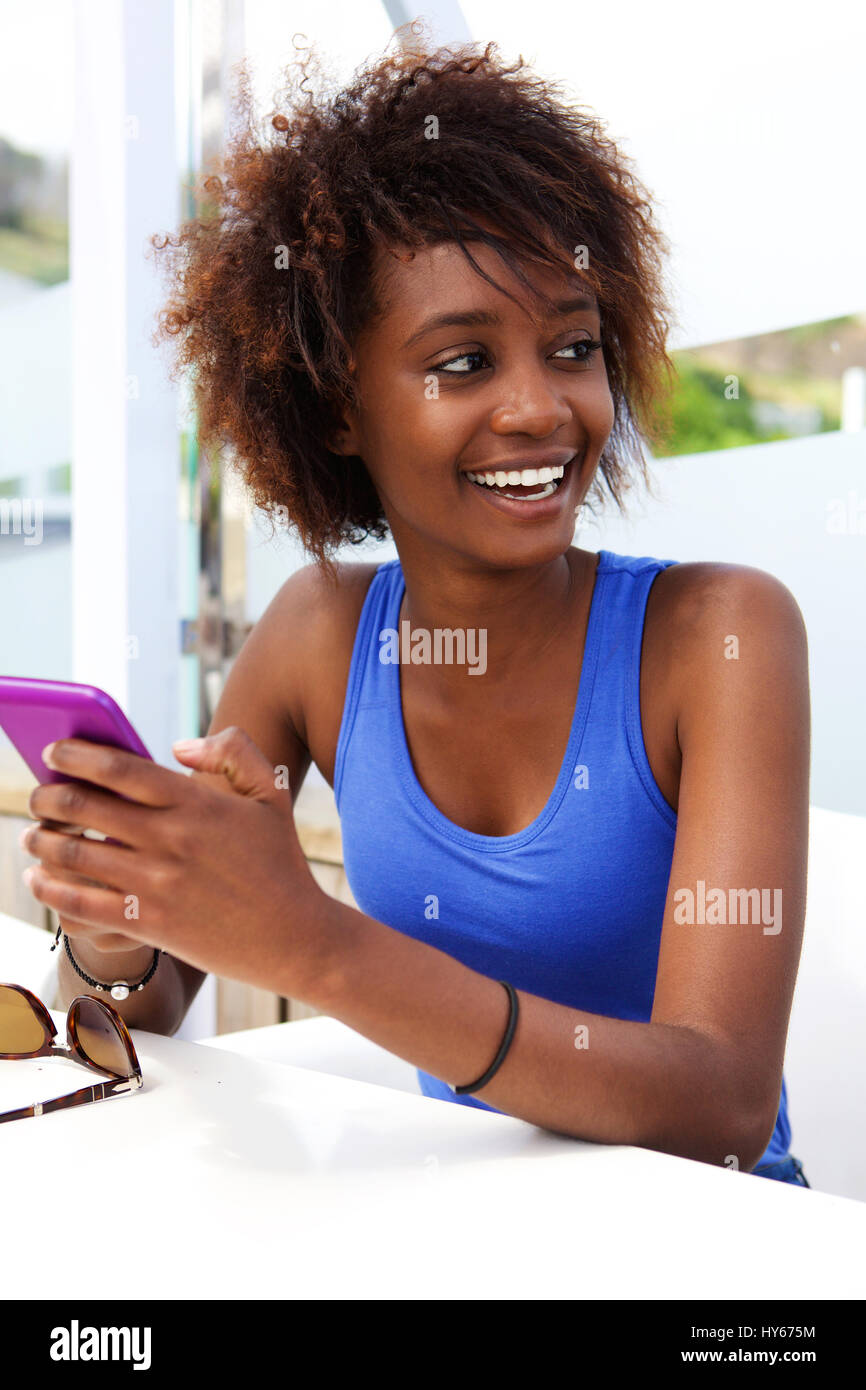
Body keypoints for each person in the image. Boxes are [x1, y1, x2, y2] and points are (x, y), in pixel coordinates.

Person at [23, 41, 811, 1187]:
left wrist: (320, 947)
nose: (539, 408)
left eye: (572, 348)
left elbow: (721, 1103)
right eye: (464, 362)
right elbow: (148, 1005)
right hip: (460, 1234)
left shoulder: (719, 634)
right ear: (340, 406)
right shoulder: (319, 635)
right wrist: (120, 917)